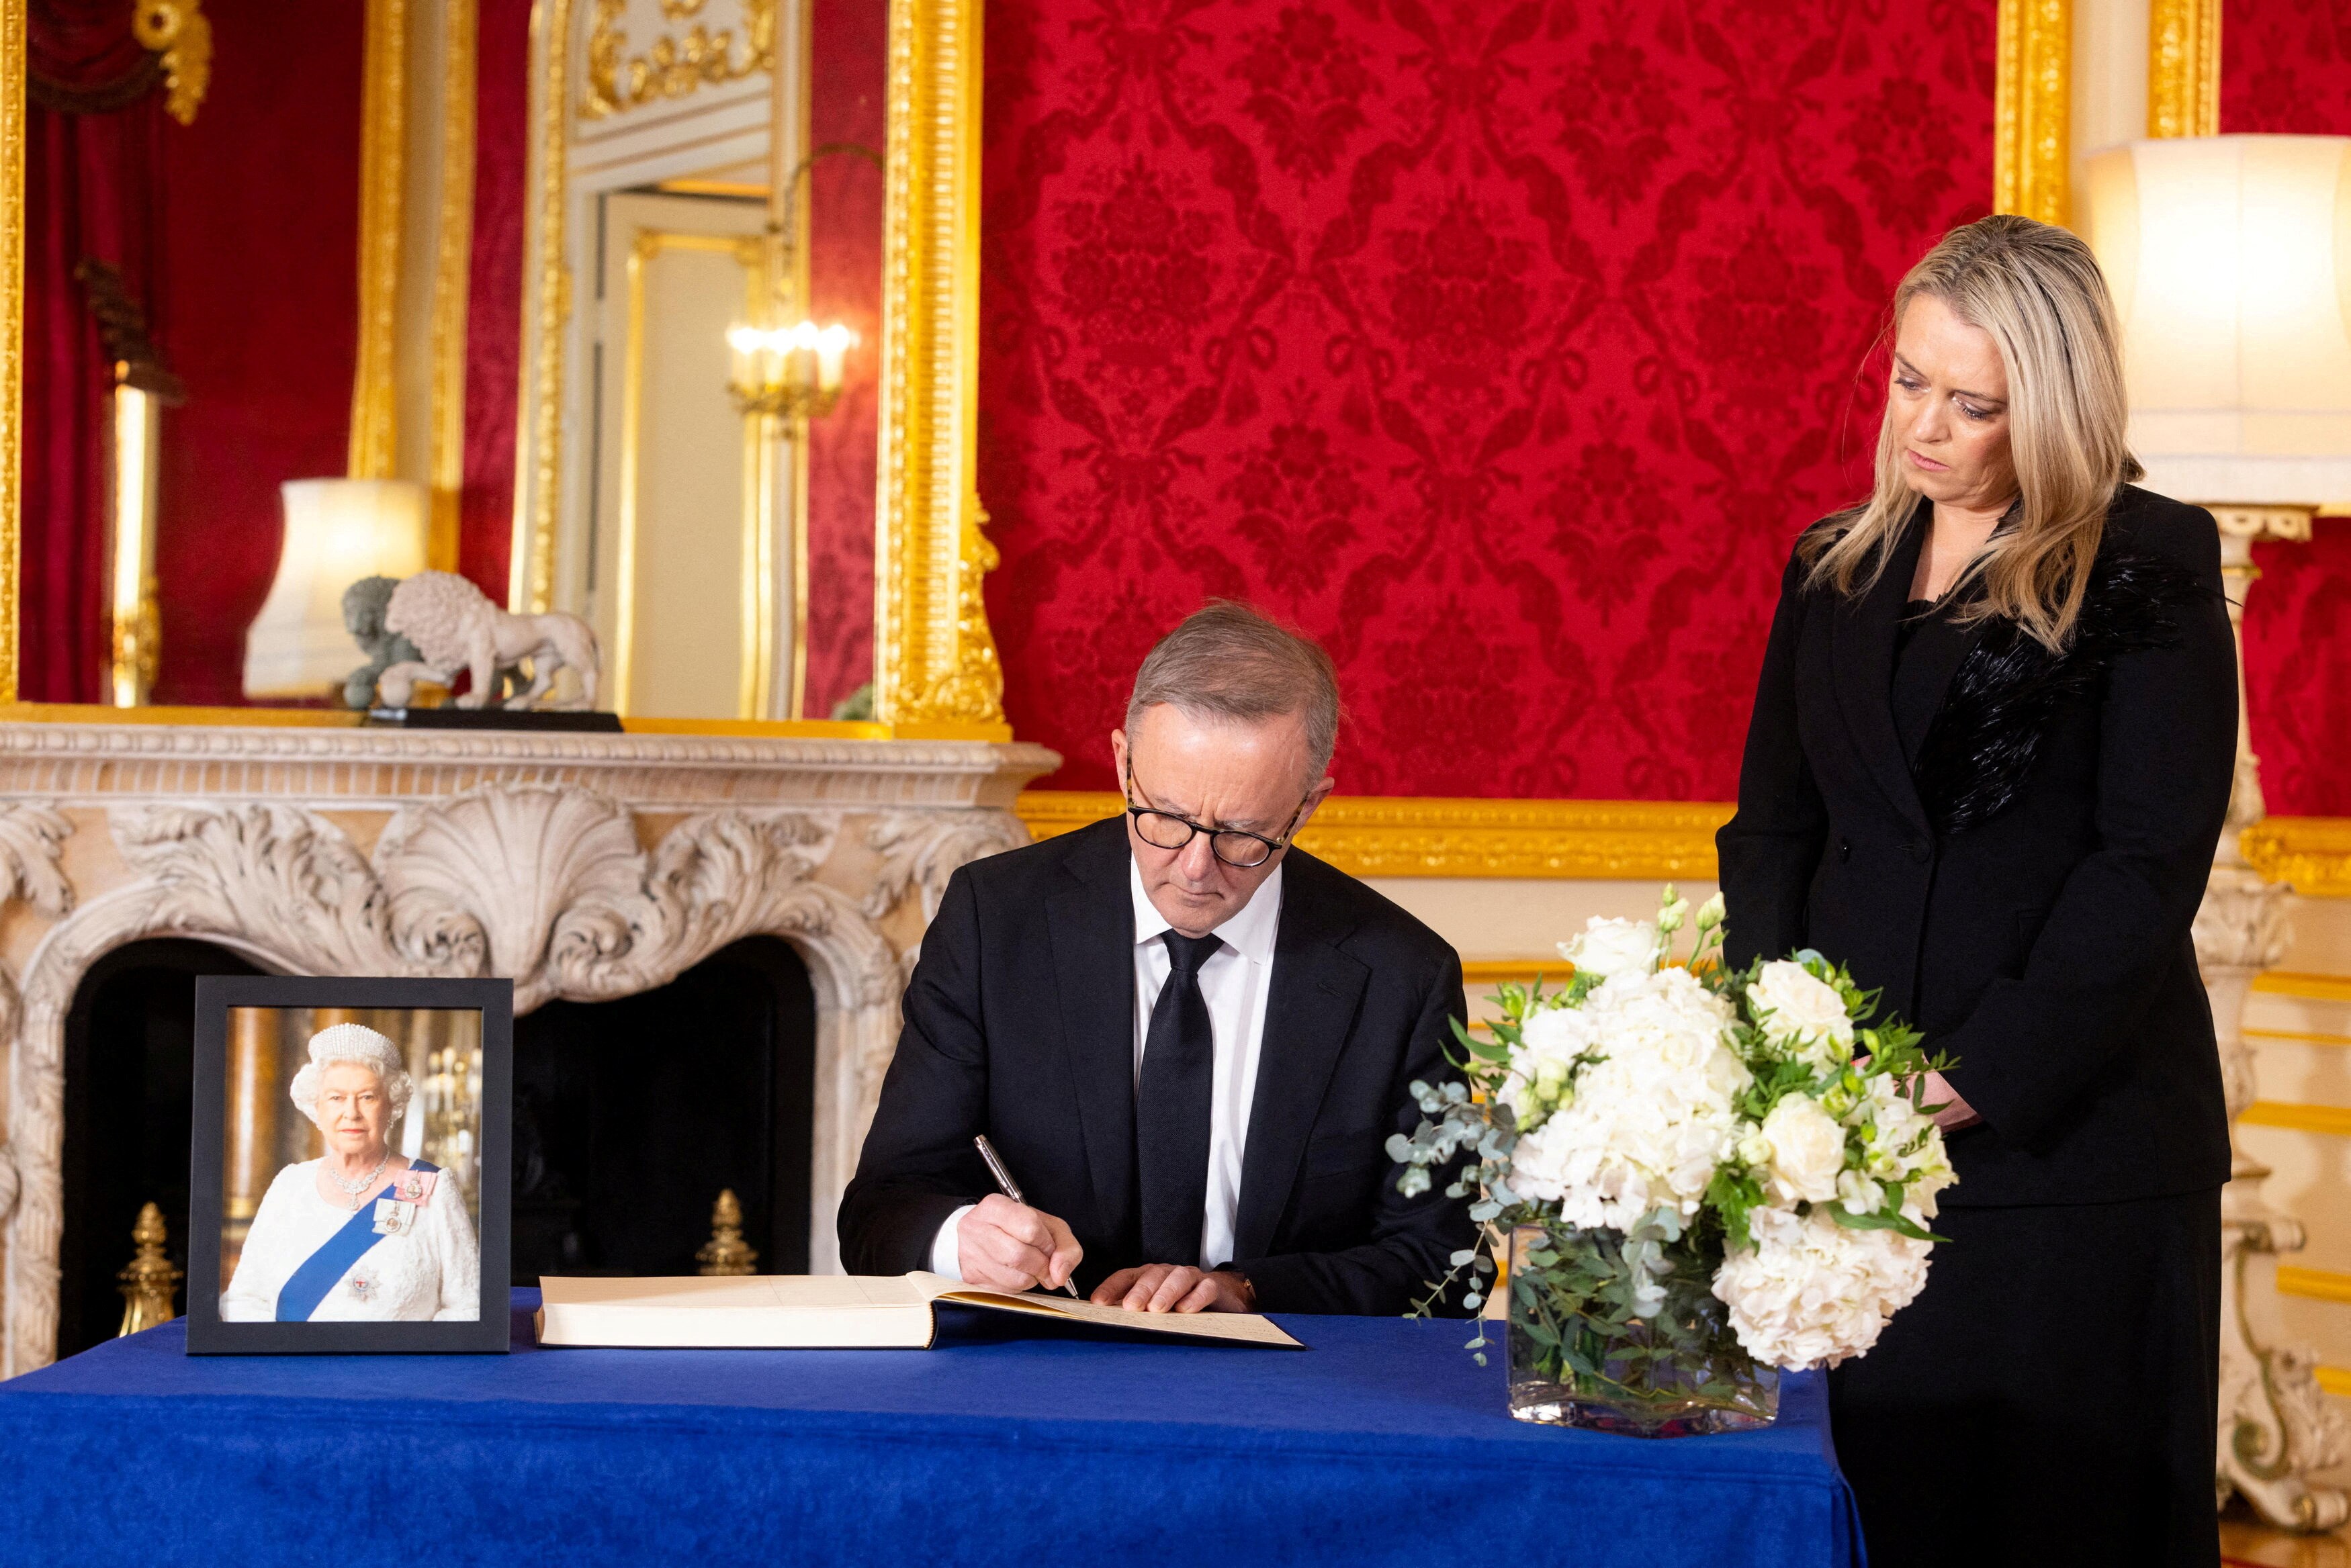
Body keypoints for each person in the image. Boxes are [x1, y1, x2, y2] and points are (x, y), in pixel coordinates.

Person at [1717, 214, 2235, 1565]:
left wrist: (1971, 1078)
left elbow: (2146, 861)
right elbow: (1769, 831)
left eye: (1973, 404)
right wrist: (1784, 1057)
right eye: (1909, 382)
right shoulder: (1833, 563)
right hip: (1849, 1150)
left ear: (2051, 406)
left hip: (2067, 1155)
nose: (1924, 427)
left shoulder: (2149, 560)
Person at [840, 602, 1472, 1314]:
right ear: (1122, 764)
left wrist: (1247, 1290)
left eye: (1242, 834)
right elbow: (877, 1214)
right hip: (1040, 1359)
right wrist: (961, 1240)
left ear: (1305, 807)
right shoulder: (995, 921)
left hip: (1283, 1372)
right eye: (1165, 818)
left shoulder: (1401, 975)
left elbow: (1442, 1265)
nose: (1195, 868)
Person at [221, 1023, 480, 1323]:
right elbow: (244, 1299)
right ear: (317, 1109)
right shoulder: (289, 1185)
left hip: (400, 1356)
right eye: (336, 1098)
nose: (352, 1113)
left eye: (367, 1097)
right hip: (293, 1355)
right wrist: (280, 1350)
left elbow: (468, 1307)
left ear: (391, 1106)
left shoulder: (431, 1186)